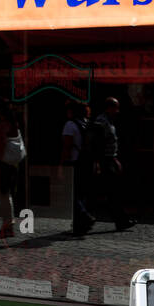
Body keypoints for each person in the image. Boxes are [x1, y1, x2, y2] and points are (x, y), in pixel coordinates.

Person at [90, 97, 135, 232]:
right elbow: (97, 144)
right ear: (109, 108)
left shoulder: (109, 121)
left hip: (110, 159)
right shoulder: (101, 122)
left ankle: (122, 220)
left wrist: (115, 159)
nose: (117, 111)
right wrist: (98, 162)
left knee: (113, 192)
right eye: (115, 107)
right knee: (111, 192)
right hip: (104, 161)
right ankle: (121, 220)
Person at [0, 98, 26, 240]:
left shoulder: (3, 125)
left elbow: (1, 146)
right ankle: (8, 225)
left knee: (4, 195)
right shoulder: (14, 124)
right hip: (13, 165)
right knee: (7, 194)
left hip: (4, 164)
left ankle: (7, 224)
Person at [61, 101, 96, 236]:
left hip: (74, 161)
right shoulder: (86, 123)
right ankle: (80, 226)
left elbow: (67, 146)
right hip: (86, 161)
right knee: (81, 193)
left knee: (71, 194)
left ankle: (85, 216)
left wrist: (62, 164)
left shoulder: (70, 125)